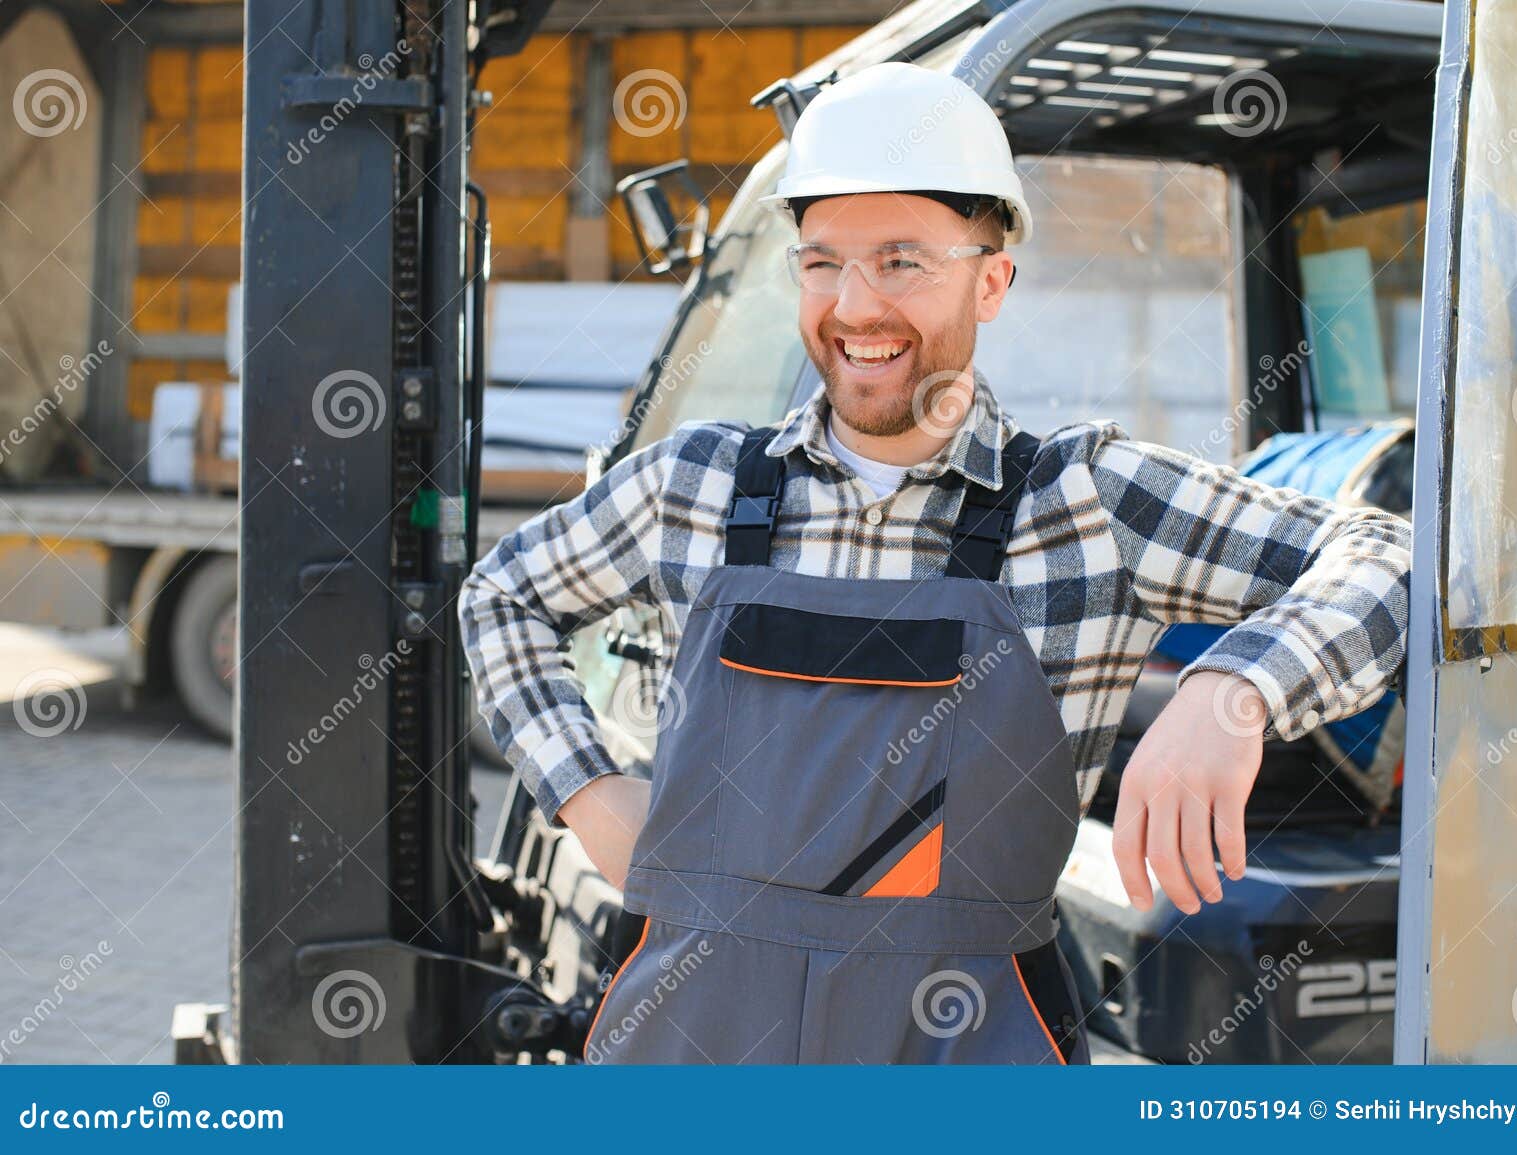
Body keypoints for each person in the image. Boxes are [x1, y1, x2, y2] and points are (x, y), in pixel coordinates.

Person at [459, 62, 1410, 1064]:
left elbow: (1386, 554)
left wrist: (1232, 692)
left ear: (990, 280)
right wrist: (587, 790)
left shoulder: (1085, 505)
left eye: (901, 260)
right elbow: (500, 595)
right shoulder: (693, 486)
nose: (853, 305)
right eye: (822, 262)